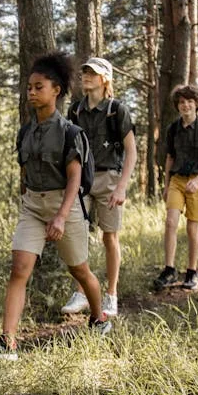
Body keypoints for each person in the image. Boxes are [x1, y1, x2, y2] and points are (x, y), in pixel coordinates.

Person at [0, 52, 112, 362]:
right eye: (29, 87)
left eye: (39, 87)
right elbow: (24, 171)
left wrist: (61, 217)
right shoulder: (25, 131)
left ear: (56, 91)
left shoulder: (70, 133)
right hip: (32, 206)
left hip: (64, 204)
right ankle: (8, 342)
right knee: (19, 269)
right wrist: (27, 200)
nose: (32, 92)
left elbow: (75, 177)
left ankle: (98, 318)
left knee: (79, 269)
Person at [62, 57, 136, 317]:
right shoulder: (75, 110)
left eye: (92, 73)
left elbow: (131, 152)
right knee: (77, 234)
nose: (86, 77)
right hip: (82, 180)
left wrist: (121, 187)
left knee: (109, 236)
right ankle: (81, 292)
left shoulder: (117, 110)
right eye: (84, 73)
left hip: (109, 180)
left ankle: (111, 295)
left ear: (105, 79)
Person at [153, 84, 198, 292]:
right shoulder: (173, 129)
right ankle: (169, 270)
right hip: (177, 180)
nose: (185, 105)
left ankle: (192, 272)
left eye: (189, 101)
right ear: (177, 105)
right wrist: (167, 183)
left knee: (192, 226)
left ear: (197, 104)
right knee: (171, 221)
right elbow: (170, 157)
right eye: (181, 102)